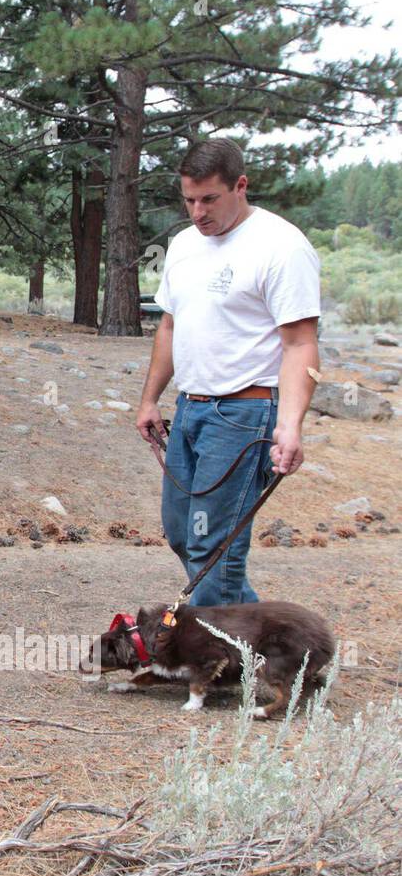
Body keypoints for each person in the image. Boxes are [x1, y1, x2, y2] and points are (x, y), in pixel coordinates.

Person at [136, 138, 321, 607]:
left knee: (214, 547)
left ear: (240, 186)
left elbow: (300, 343)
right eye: (189, 200)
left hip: (244, 414)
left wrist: (289, 427)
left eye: (209, 199)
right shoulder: (184, 245)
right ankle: (263, 636)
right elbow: (170, 325)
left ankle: (214, 651)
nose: (198, 213)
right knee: (182, 532)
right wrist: (150, 399)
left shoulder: (281, 246)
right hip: (189, 408)